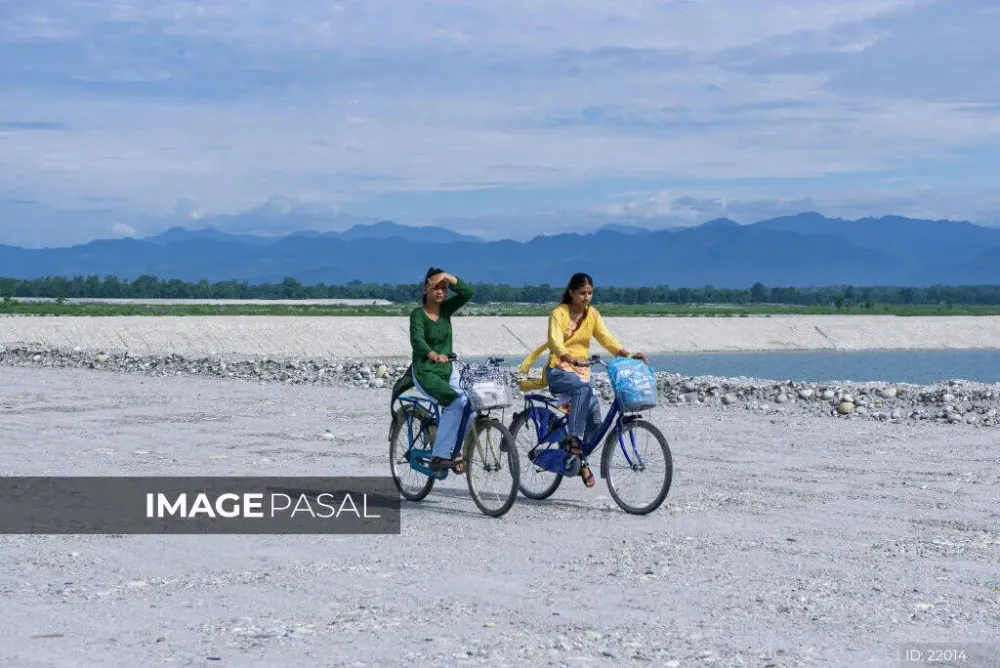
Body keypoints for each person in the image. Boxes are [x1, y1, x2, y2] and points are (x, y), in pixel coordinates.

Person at [542, 272, 647, 487]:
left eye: (590, 293)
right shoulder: (559, 313)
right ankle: (572, 440)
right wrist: (567, 356)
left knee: (596, 424)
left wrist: (627, 354)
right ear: (571, 293)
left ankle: (580, 460)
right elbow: (554, 340)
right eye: (582, 293)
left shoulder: (593, 315)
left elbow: (606, 338)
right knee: (582, 391)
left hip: (582, 372)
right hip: (559, 370)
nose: (586, 297)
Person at [408, 267, 475, 473]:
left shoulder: (446, 310)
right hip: (425, 372)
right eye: (436, 287)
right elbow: (417, 340)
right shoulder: (418, 314)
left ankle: (453, 450)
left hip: (448, 369)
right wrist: (432, 354)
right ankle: (439, 455)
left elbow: (467, 292)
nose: (440, 292)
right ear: (427, 287)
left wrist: (447, 276)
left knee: (471, 405)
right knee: (455, 403)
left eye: (444, 288)